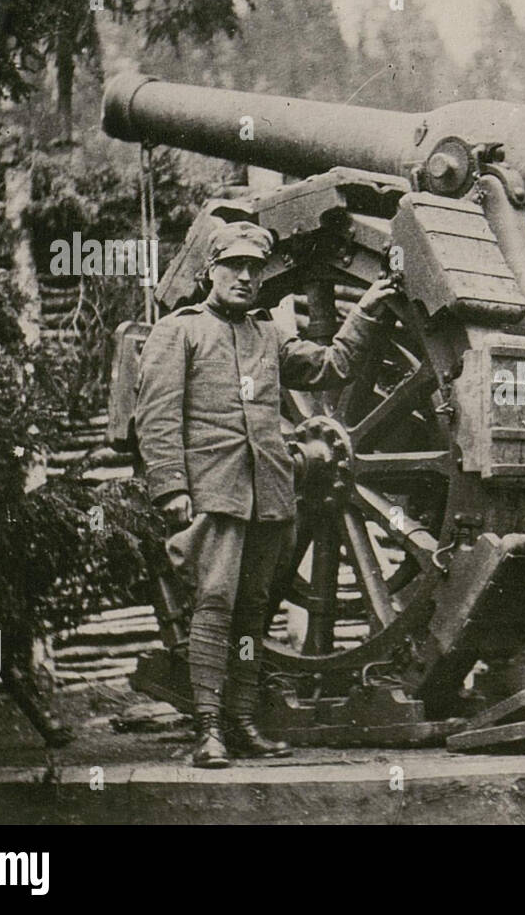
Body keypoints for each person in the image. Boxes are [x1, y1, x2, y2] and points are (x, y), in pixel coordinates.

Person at [135, 220, 397, 767]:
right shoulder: (178, 332)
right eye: (234, 266)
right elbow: (156, 418)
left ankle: (244, 719)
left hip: (270, 493)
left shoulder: (268, 336)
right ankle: (209, 729)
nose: (246, 277)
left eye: (255, 268)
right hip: (212, 492)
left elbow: (332, 366)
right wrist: (170, 490)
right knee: (213, 604)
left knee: (254, 613)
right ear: (211, 271)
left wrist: (371, 304)